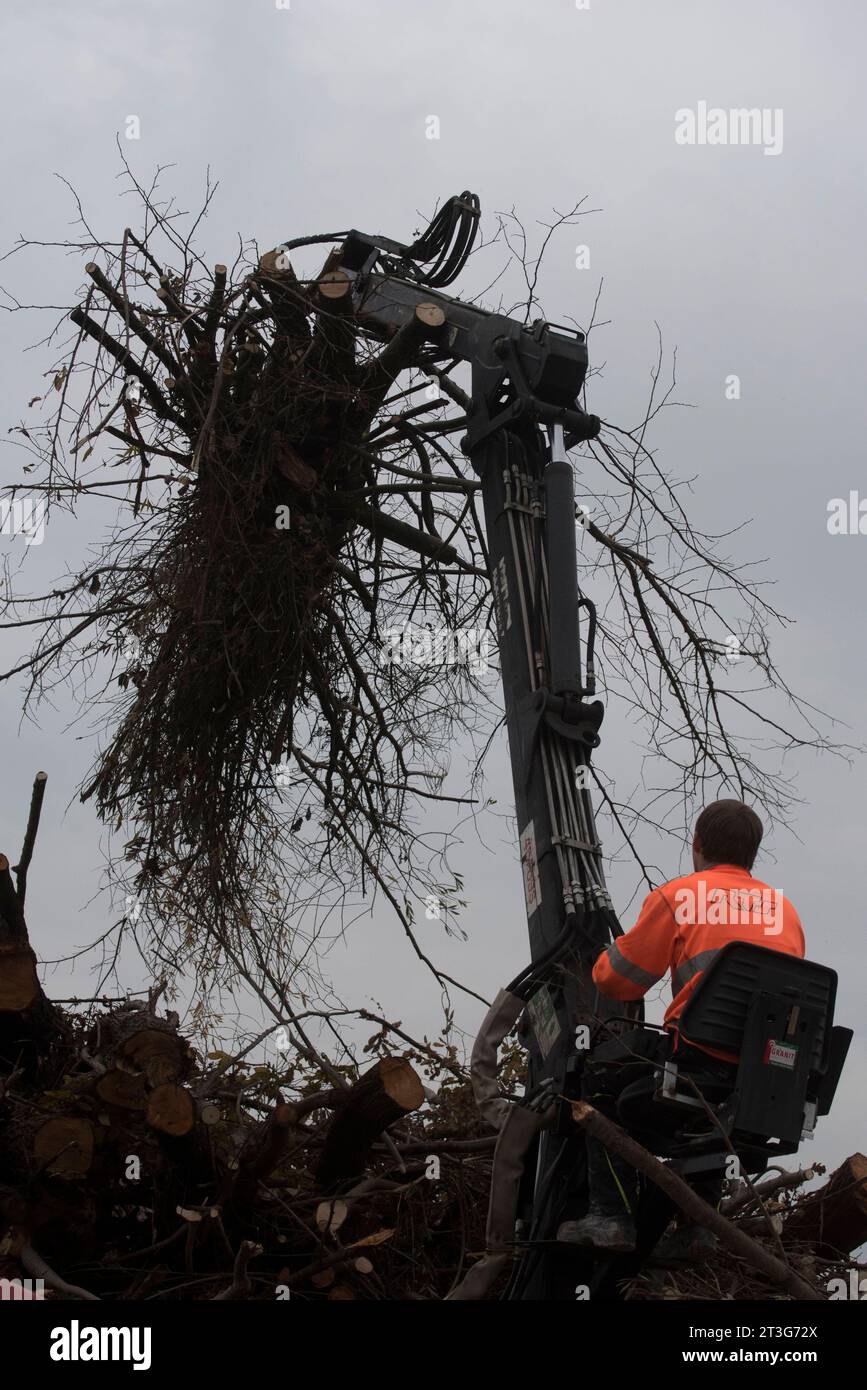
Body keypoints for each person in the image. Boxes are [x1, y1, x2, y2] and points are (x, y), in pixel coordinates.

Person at [557, 799, 806, 1254]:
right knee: (713, 1099)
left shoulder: (679, 896)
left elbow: (618, 981)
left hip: (696, 1066)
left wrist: (604, 957)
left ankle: (610, 1218)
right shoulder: (783, 911)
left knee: (600, 1081)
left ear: (697, 845)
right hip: (763, 1083)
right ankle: (697, 1227)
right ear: (752, 854)